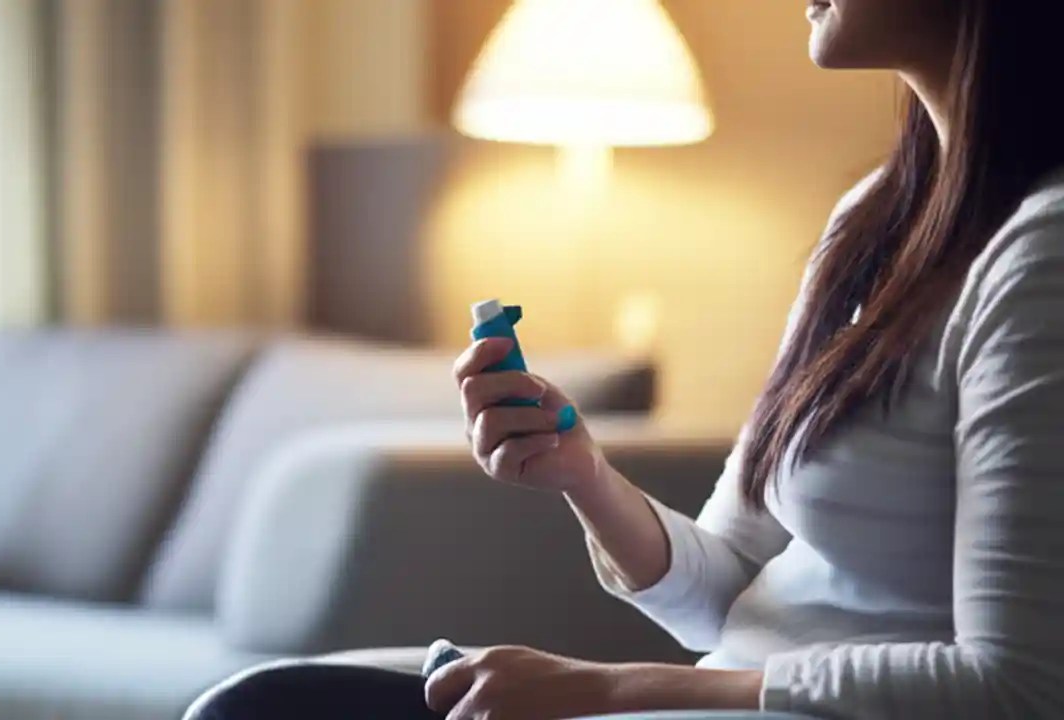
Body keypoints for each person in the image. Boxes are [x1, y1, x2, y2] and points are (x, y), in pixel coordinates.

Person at [189, 0, 1064, 717]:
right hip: (710, 695)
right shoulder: (875, 221)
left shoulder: (1042, 256)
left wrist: (607, 689)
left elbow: (1020, 689)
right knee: (259, 704)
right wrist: (584, 476)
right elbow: (720, 593)